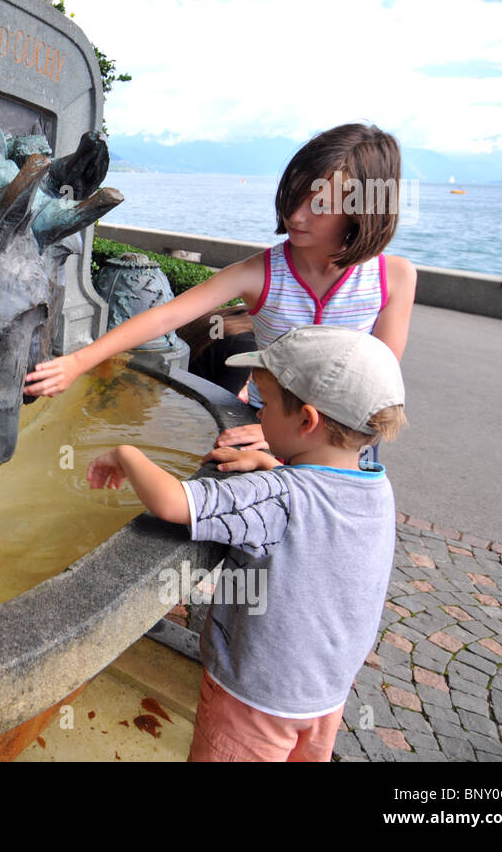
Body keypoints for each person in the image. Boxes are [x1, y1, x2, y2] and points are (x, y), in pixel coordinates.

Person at [86, 326, 407, 761]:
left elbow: (174, 503)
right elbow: (319, 497)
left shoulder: (278, 497)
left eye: (265, 406)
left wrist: (126, 453)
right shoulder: (375, 487)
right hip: (324, 696)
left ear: (307, 420)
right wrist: (272, 463)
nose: (256, 417)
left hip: (254, 697)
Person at [25, 123, 417, 452]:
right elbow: (167, 315)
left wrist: (284, 439)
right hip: (264, 429)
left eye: (320, 205)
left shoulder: (394, 278)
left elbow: (377, 387)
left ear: (362, 209)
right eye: (296, 195)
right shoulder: (261, 273)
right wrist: (78, 361)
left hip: (346, 439)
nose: (296, 214)